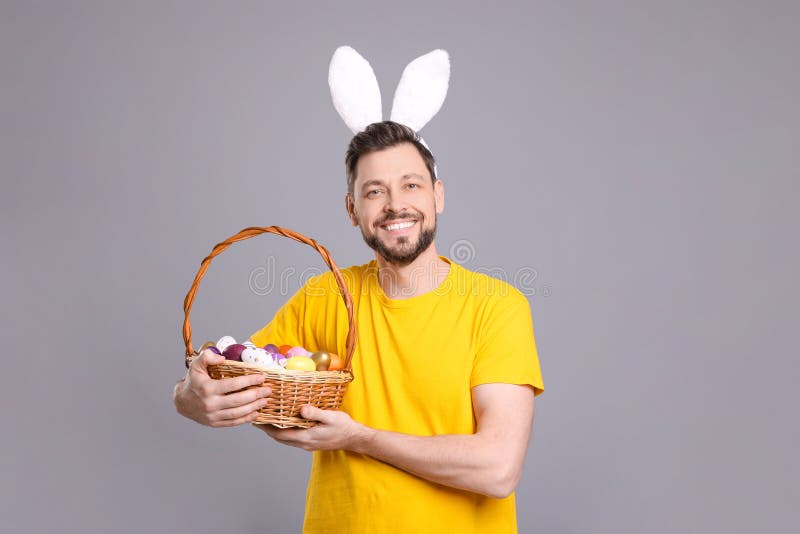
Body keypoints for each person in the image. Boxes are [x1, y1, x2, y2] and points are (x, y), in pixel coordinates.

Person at [173, 121, 544, 533]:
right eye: (374, 191)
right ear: (352, 209)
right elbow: (231, 374)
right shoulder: (326, 297)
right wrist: (190, 396)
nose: (394, 205)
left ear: (438, 195)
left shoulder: (497, 307)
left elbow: (497, 468)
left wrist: (359, 438)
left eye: (411, 185)